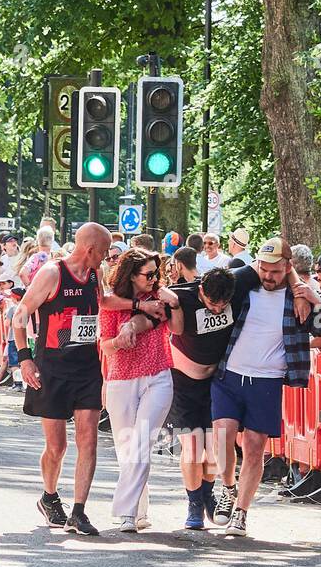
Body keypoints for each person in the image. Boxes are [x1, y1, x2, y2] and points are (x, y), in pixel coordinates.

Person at [15, 223, 165, 536]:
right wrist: (25, 359)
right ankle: (49, 495)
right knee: (57, 446)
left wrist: (139, 305)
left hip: (86, 366)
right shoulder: (52, 274)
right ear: (90, 249)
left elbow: (104, 302)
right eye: (105, 251)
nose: (109, 257)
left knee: (89, 439)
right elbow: (20, 314)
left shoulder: (95, 275)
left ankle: (79, 511)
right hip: (52, 365)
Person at [210, 238, 319, 536]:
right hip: (229, 374)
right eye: (264, 269)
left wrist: (314, 300)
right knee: (222, 437)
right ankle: (228, 488)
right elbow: (211, 292)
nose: (268, 276)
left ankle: (241, 513)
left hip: (267, 380)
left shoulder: (299, 296)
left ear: (287, 268)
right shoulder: (245, 285)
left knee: (255, 447)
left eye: (275, 271)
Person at [99, 250, 174, 531]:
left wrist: (132, 322)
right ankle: (140, 509)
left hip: (158, 375)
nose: (154, 279)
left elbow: (158, 316)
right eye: (148, 274)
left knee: (142, 441)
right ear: (131, 274)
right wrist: (119, 341)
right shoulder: (110, 303)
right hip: (121, 377)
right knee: (127, 449)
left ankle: (126, 512)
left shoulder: (160, 296)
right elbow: (105, 345)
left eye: (157, 273)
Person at [165, 267, 237, 528]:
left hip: (216, 383)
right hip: (183, 384)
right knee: (193, 447)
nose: (217, 310)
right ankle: (194, 502)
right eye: (211, 304)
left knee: (214, 448)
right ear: (201, 291)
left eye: (223, 306)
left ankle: (208, 493)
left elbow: (268, 266)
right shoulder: (181, 295)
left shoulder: (235, 287)